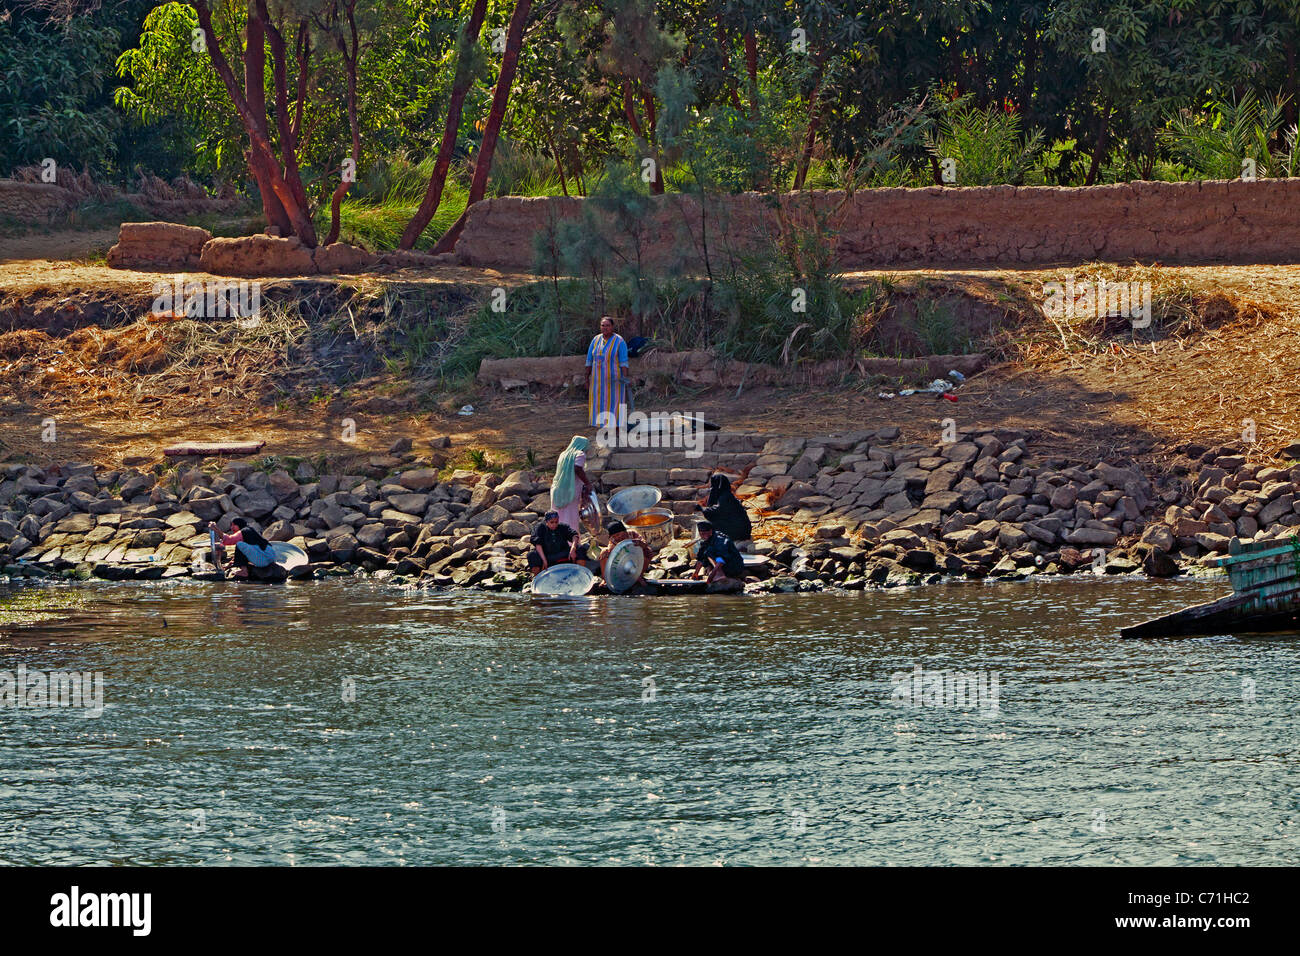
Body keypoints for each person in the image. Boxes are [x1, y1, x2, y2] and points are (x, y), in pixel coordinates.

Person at [586, 315, 629, 429]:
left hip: (614, 381)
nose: (605, 328)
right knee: (598, 403)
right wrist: (586, 377)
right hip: (597, 381)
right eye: (603, 325)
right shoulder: (595, 340)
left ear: (612, 327)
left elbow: (624, 362)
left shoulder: (619, 341)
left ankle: (617, 429)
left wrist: (625, 379)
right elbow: (589, 360)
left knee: (615, 404)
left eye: (608, 326)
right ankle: (601, 428)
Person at [550, 435, 592, 535]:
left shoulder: (563, 454)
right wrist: (587, 483)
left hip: (557, 490)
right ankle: (570, 544)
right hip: (570, 491)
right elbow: (577, 468)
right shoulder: (579, 454)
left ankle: (555, 542)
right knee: (570, 518)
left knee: (557, 518)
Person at [208, 517, 276, 579]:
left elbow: (229, 540)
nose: (231, 528)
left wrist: (215, 528)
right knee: (241, 545)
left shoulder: (244, 531)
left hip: (263, 560)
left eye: (233, 525)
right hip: (271, 557)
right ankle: (244, 569)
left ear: (239, 525)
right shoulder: (250, 530)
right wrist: (228, 565)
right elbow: (241, 553)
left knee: (239, 544)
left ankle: (244, 572)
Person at [527, 510, 590, 576]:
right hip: (547, 556)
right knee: (532, 555)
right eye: (551, 522)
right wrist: (544, 560)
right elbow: (538, 544)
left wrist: (573, 549)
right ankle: (538, 577)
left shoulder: (562, 527)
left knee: (580, 548)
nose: (554, 524)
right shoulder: (540, 528)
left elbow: (574, 536)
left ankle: (580, 574)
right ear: (546, 522)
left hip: (563, 553)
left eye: (556, 522)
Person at [698, 472, 752, 543]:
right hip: (741, 530)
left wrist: (702, 509)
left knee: (706, 526)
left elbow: (717, 512)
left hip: (739, 532)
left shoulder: (725, 497)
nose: (711, 487)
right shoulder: (725, 495)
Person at [692, 520, 746, 586]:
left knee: (709, 551)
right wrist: (696, 573)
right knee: (705, 552)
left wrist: (713, 573)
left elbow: (721, 560)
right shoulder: (706, 541)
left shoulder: (720, 540)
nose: (702, 536)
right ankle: (717, 573)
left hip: (733, 566)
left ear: (710, 531)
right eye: (701, 534)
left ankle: (720, 575)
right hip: (722, 565)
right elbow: (700, 558)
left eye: (704, 534)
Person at [602, 519, 653, 587]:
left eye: (619, 534)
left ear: (624, 531)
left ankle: (638, 576)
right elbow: (610, 549)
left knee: (648, 551)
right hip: (621, 561)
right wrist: (606, 551)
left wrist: (640, 543)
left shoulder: (632, 534)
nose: (617, 537)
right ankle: (605, 579)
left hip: (636, 558)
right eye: (614, 536)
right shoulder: (613, 540)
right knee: (603, 553)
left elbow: (644, 543)